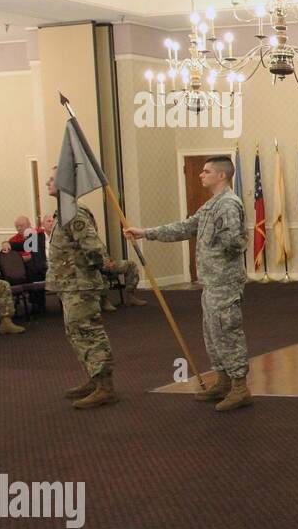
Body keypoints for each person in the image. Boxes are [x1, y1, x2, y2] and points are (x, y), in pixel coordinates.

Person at [126, 155, 252, 411]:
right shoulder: (210, 206)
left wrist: (222, 256)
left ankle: (240, 387)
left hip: (224, 282)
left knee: (227, 332)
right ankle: (223, 380)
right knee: (212, 333)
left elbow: (236, 242)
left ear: (221, 175)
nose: (200, 175)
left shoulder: (228, 205)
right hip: (211, 282)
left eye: (206, 171)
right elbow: (185, 228)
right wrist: (146, 233)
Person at [45, 172, 115, 404]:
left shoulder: (74, 211)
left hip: (80, 285)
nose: (48, 182)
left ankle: (106, 386)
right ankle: (94, 378)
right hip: (70, 285)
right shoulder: (63, 211)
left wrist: (92, 273)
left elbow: (93, 248)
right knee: (76, 332)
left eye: (52, 179)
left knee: (89, 332)